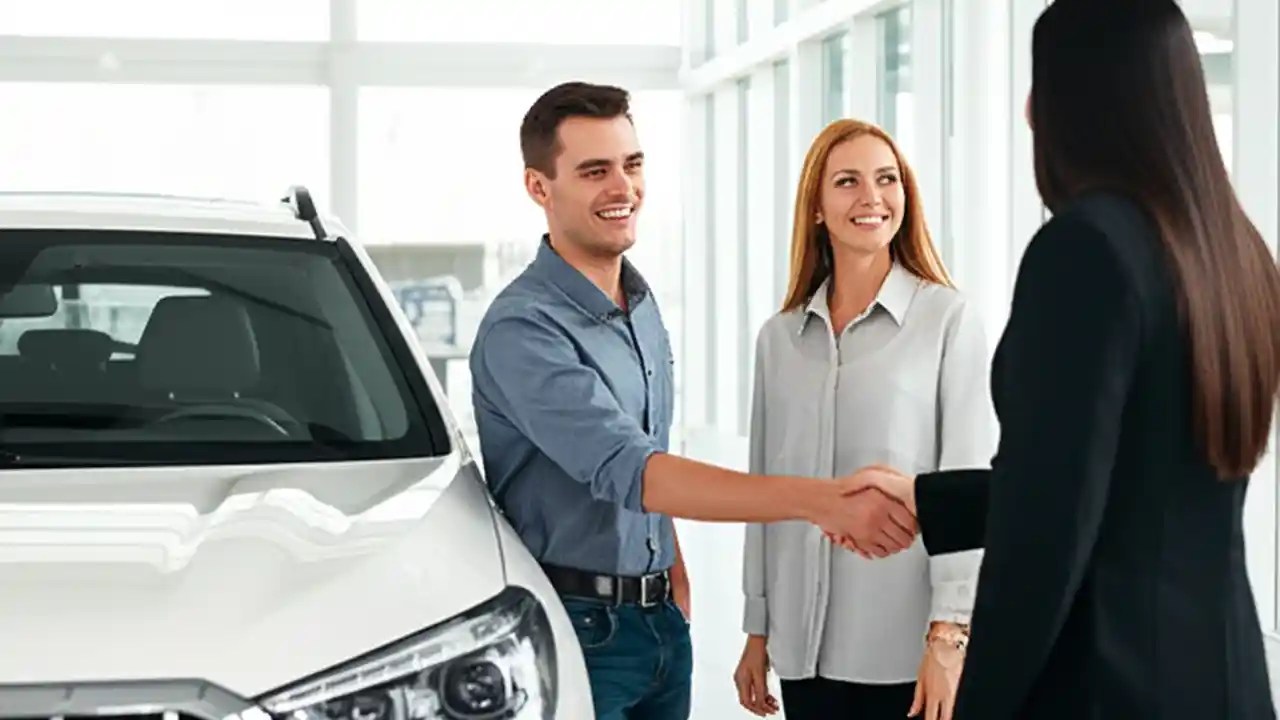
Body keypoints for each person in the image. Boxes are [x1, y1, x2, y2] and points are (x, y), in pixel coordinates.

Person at [839, 1, 1280, 718]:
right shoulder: (1233, 253)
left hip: (1108, 685)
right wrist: (928, 499)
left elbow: (1048, 536)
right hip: (1223, 676)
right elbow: (1136, 487)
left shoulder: (1086, 251)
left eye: (1040, 83)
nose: (1027, 110)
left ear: (1078, 101)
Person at [468, 81, 919, 720]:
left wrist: (668, 560)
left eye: (632, 164)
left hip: (658, 624)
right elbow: (630, 469)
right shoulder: (523, 330)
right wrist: (824, 501)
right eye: (595, 171)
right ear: (539, 187)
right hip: (575, 630)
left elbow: (646, 447)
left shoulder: (639, 304)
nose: (622, 188)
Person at [731, 119, 996, 720]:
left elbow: (967, 480)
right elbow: (764, 495)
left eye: (887, 179)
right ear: (818, 208)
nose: (872, 198)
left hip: (904, 650)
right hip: (802, 651)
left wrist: (950, 638)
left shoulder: (947, 321)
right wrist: (757, 628)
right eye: (847, 182)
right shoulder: (779, 339)